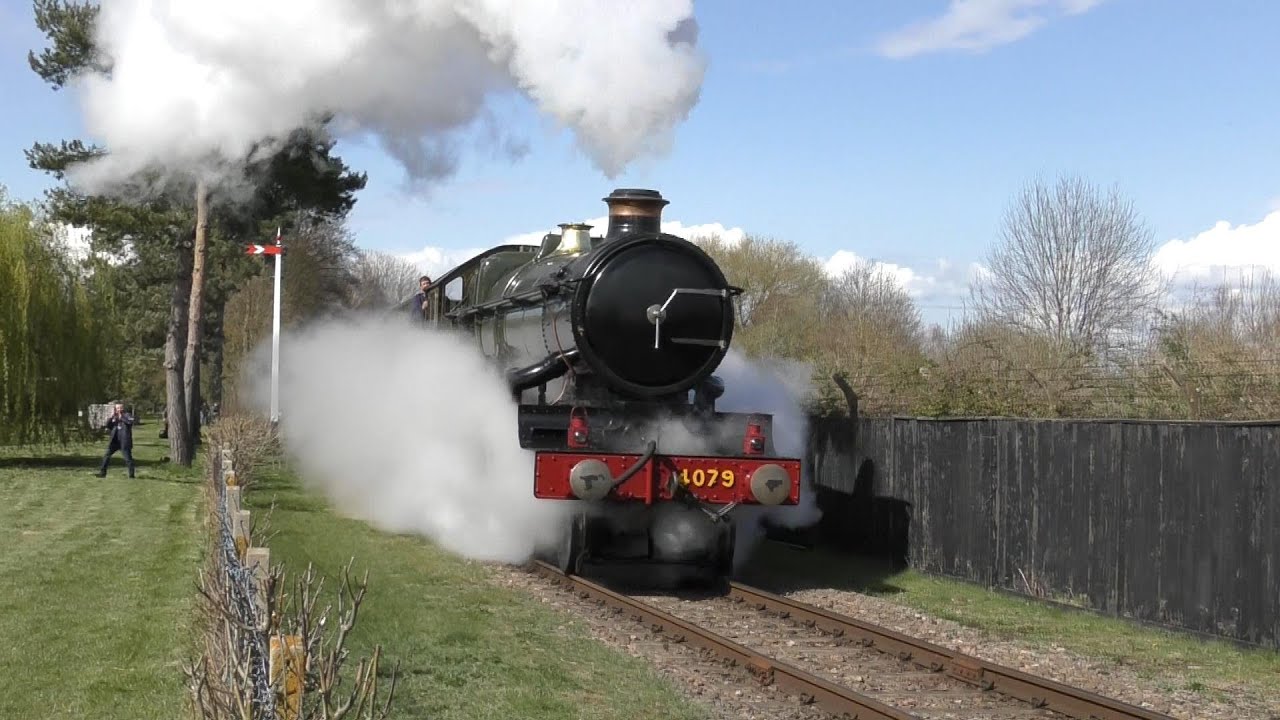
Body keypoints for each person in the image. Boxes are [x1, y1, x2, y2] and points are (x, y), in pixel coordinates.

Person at [96, 402, 136, 478]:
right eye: (117, 408)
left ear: (123, 408)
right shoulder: (114, 417)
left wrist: (122, 417)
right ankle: (102, 473)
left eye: (120, 408)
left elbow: (130, 422)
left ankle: (131, 475)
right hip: (115, 441)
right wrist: (111, 417)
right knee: (106, 456)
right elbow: (108, 425)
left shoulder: (128, 415)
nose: (119, 409)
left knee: (128, 459)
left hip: (124, 441)